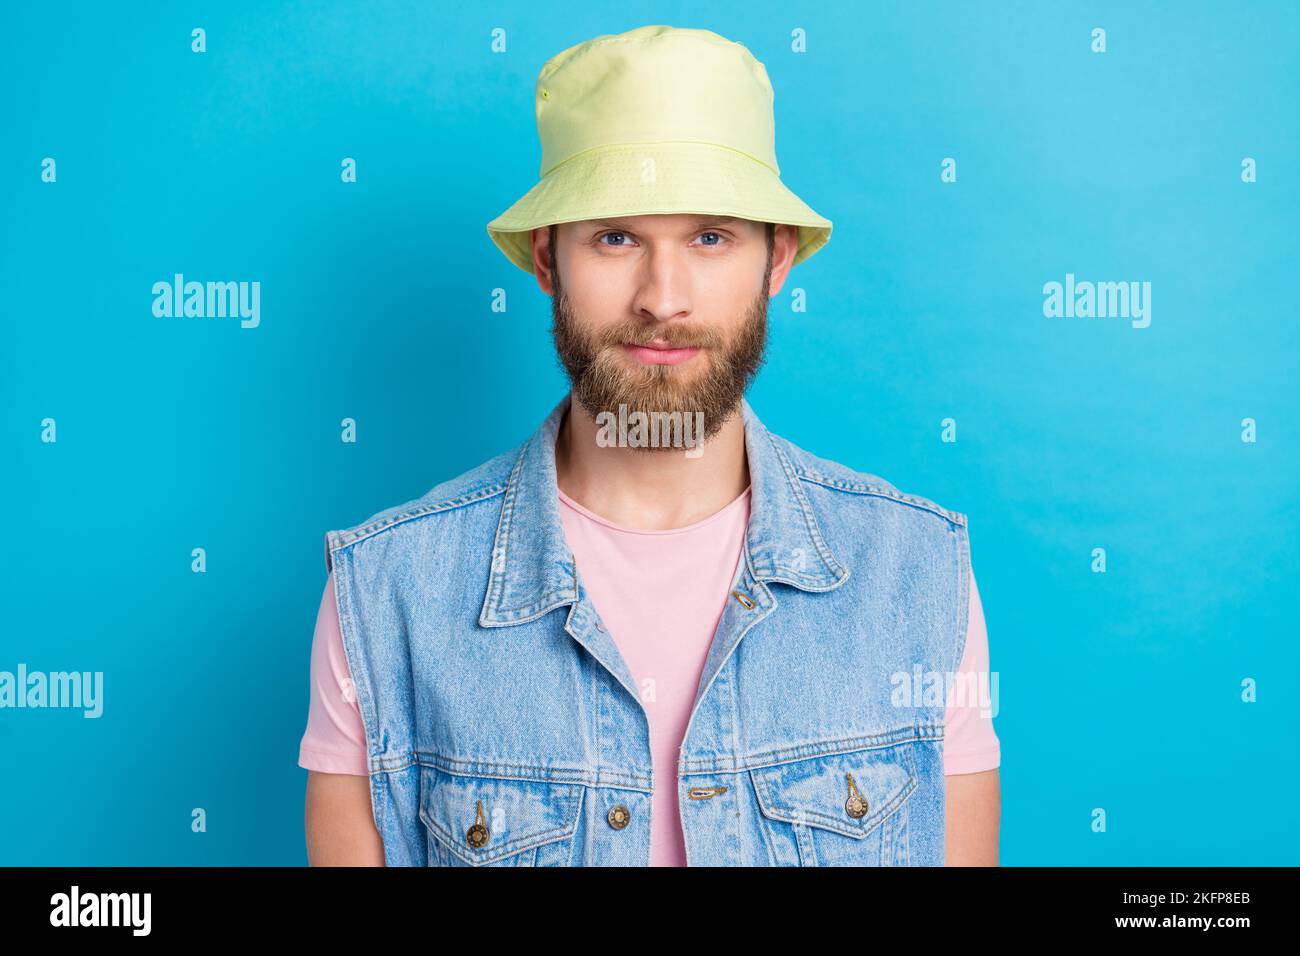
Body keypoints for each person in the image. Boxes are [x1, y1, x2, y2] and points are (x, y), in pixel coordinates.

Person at [300, 24, 1000, 867]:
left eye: (710, 237)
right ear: (547, 261)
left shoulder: (914, 575)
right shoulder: (388, 596)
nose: (663, 299)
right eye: (615, 238)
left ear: (775, 260)